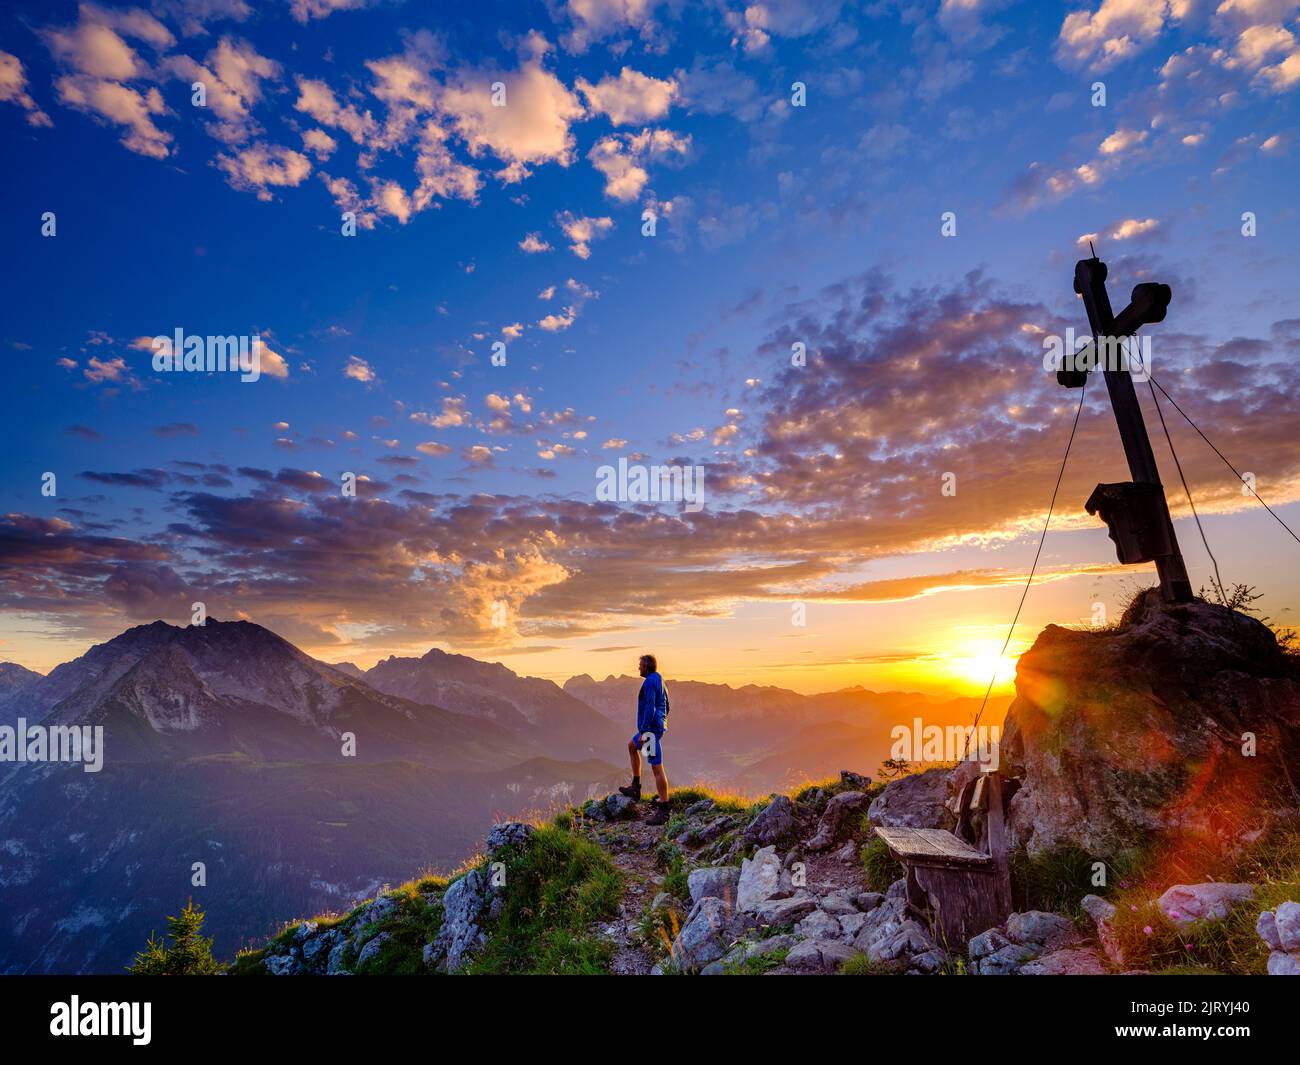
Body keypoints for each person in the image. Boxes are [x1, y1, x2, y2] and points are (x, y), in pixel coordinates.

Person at [619, 653, 669, 825]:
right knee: (631, 746)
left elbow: (650, 708)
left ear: (646, 666)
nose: (638, 667)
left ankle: (664, 809)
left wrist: (645, 731)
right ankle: (635, 786)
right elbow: (666, 704)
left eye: (640, 665)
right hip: (655, 727)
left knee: (656, 767)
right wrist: (663, 720)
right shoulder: (659, 679)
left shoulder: (649, 682)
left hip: (650, 730)